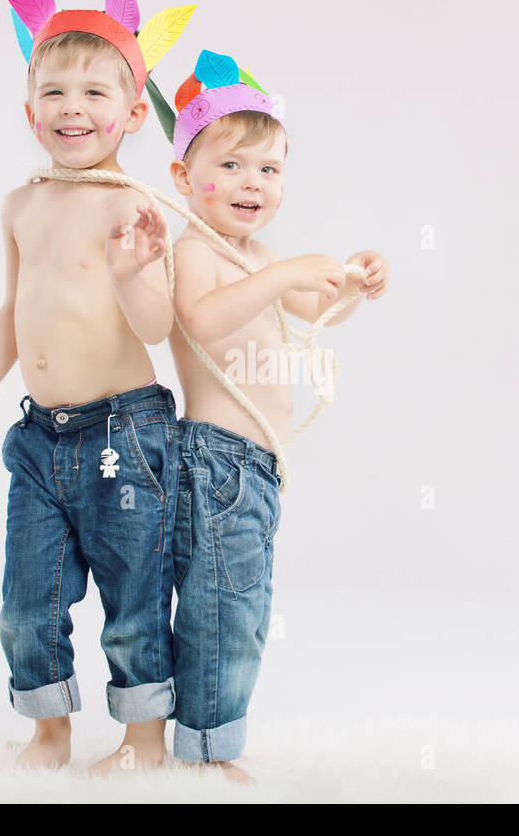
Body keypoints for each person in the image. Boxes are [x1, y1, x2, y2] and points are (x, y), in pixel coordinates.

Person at [0, 0, 194, 772]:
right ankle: (48, 730)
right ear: (28, 109)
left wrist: (129, 270)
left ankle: (144, 738)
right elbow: (13, 311)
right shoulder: (21, 204)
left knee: (132, 594)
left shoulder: (132, 206)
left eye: (94, 94)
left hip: (126, 429)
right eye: (55, 92)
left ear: (129, 116)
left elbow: (155, 327)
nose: (72, 109)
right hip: (40, 439)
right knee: (27, 599)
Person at [157, 50, 391, 782]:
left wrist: (353, 283)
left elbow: (316, 310)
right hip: (215, 458)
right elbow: (202, 318)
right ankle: (207, 753)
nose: (250, 184)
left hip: (254, 468)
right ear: (182, 179)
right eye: (229, 166)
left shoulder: (258, 254)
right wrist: (282, 273)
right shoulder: (196, 250)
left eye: (268, 169)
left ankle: (207, 739)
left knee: (243, 607)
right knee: (224, 611)